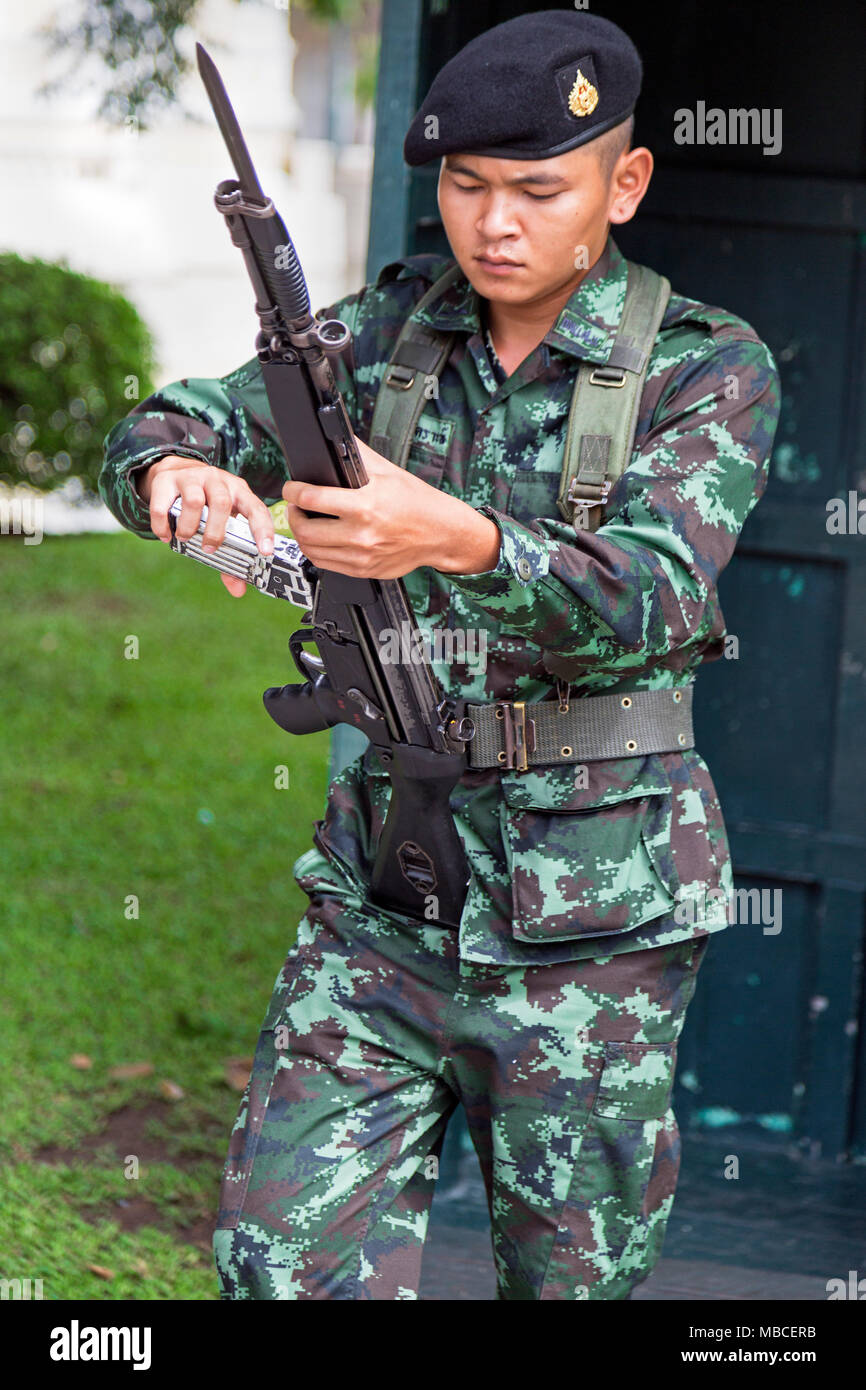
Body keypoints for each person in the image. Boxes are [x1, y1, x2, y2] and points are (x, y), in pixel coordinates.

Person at [99, 9, 781, 1300]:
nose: (493, 224)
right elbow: (166, 422)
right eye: (465, 187)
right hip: (384, 902)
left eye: (535, 189)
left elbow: (648, 591)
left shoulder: (707, 369)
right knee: (276, 1261)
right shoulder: (399, 323)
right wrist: (179, 475)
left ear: (621, 184)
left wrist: (451, 535)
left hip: (595, 927)